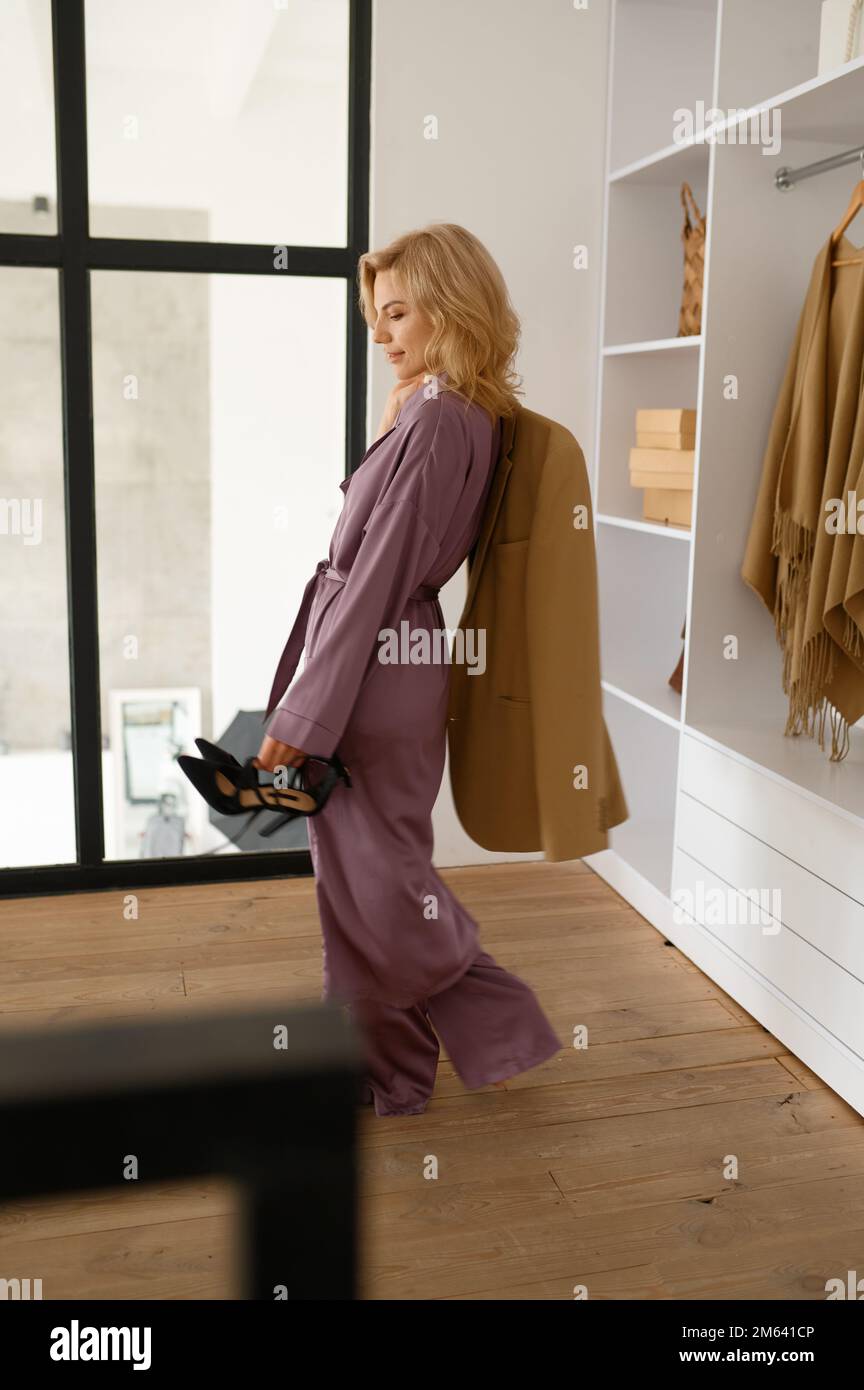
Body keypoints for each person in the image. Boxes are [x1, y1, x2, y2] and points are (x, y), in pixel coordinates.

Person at [255, 223, 563, 1116]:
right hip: (388, 658)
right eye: (374, 317)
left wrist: (302, 717)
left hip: (375, 670)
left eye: (397, 313)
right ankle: (380, 1072)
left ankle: (502, 1021)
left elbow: (378, 575)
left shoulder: (439, 421)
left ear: (450, 305)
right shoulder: (449, 411)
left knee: (383, 886)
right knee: (359, 885)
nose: (381, 335)